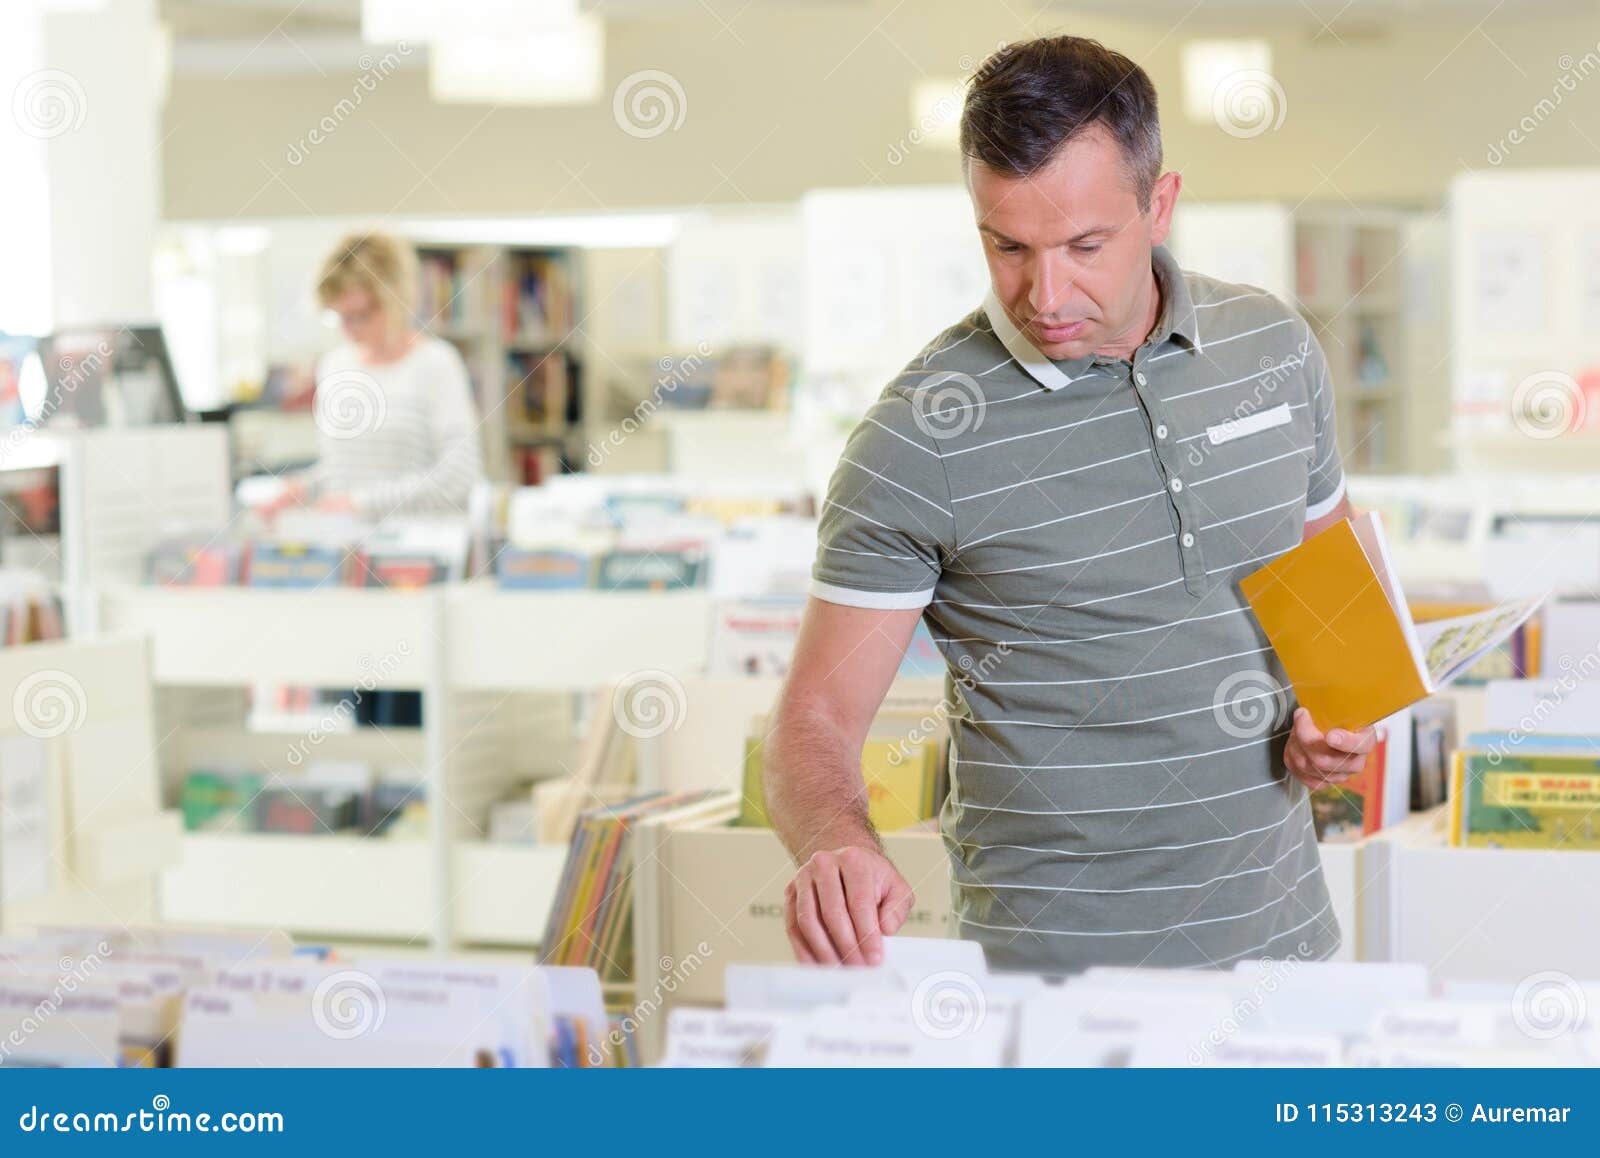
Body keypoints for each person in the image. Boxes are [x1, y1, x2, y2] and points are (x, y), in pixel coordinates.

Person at [766, 35, 1380, 975]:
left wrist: (1340, 714)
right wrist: (835, 844)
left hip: (1286, 955)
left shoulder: (1274, 349)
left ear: (1160, 204)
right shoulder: (916, 437)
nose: (1045, 295)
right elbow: (811, 722)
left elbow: (1331, 598)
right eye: (1007, 246)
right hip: (1047, 985)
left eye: (1086, 246)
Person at [269, 230, 485, 520]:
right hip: (350, 550)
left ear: (396, 299)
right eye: (339, 317)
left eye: (360, 315)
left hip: (415, 550)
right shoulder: (335, 365)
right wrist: (305, 489)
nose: (349, 330)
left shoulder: (436, 364)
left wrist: (363, 504)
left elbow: (458, 477)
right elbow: (347, 473)